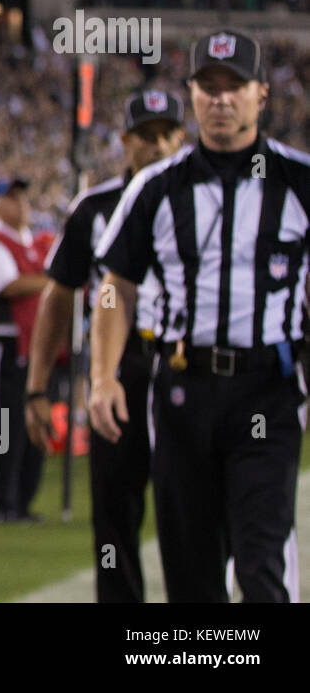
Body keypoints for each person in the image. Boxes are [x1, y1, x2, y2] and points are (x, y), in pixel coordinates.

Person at [91, 30, 310, 603]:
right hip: (184, 392)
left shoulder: (299, 181)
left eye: (233, 86)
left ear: (261, 94)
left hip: (269, 390)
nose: (220, 99)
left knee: (262, 565)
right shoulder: (157, 187)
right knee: (190, 572)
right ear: (191, 96)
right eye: (207, 87)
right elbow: (115, 286)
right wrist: (102, 377)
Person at [26, 90, 185, 601]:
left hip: (185, 365)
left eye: (167, 134)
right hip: (117, 366)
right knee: (115, 513)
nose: (159, 145)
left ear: (181, 137)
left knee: (191, 507)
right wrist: (36, 387)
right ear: (126, 142)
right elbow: (58, 296)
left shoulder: (202, 200)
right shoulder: (94, 208)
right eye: (147, 136)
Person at [0, 176, 54, 524]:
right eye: (11, 197)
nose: (20, 203)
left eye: (22, 196)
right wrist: (54, 280)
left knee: (29, 423)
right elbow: (8, 286)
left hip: (33, 348)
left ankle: (20, 500)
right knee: (1, 425)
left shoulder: (32, 244)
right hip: (4, 347)